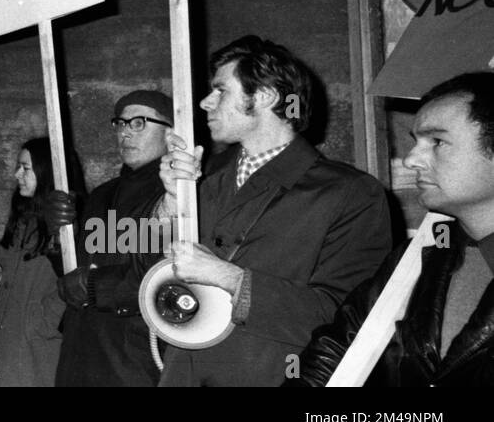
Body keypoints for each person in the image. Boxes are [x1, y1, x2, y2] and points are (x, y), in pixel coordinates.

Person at [155, 35, 392, 386]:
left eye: (221, 91)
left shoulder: (350, 193)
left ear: (265, 96)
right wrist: (172, 203)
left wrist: (230, 278)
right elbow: (147, 271)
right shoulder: (202, 177)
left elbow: (348, 317)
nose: (206, 103)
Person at [292, 72, 493, 386]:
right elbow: (336, 349)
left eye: (437, 141)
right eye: (416, 142)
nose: (412, 159)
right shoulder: (420, 255)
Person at [43, 90, 174, 386]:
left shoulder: (179, 196)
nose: (126, 132)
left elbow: (168, 278)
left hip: (134, 359)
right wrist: (59, 237)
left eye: (139, 123)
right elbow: (73, 275)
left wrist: (93, 286)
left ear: (171, 133)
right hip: (80, 351)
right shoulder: (102, 195)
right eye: (121, 123)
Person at [0, 137, 66, 387]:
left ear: (46, 171)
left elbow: (73, 283)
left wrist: (42, 324)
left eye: (25, 168)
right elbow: (2, 275)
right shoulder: (21, 220)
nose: (17, 174)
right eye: (18, 166)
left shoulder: (67, 226)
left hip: (36, 347)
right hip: (3, 336)